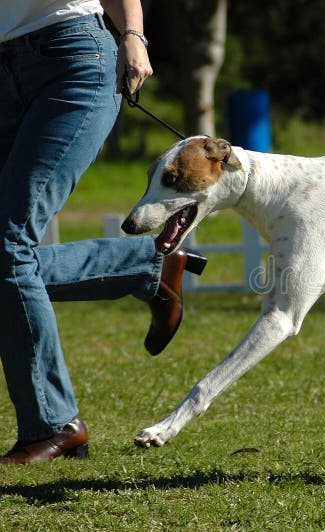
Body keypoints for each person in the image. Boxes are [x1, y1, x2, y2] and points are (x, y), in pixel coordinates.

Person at [0, 0, 206, 464]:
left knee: (9, 244)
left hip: (72, 57)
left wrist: (133, 34)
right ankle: (149, 266)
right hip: (5, 69)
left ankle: (53, 426)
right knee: (7, 254)